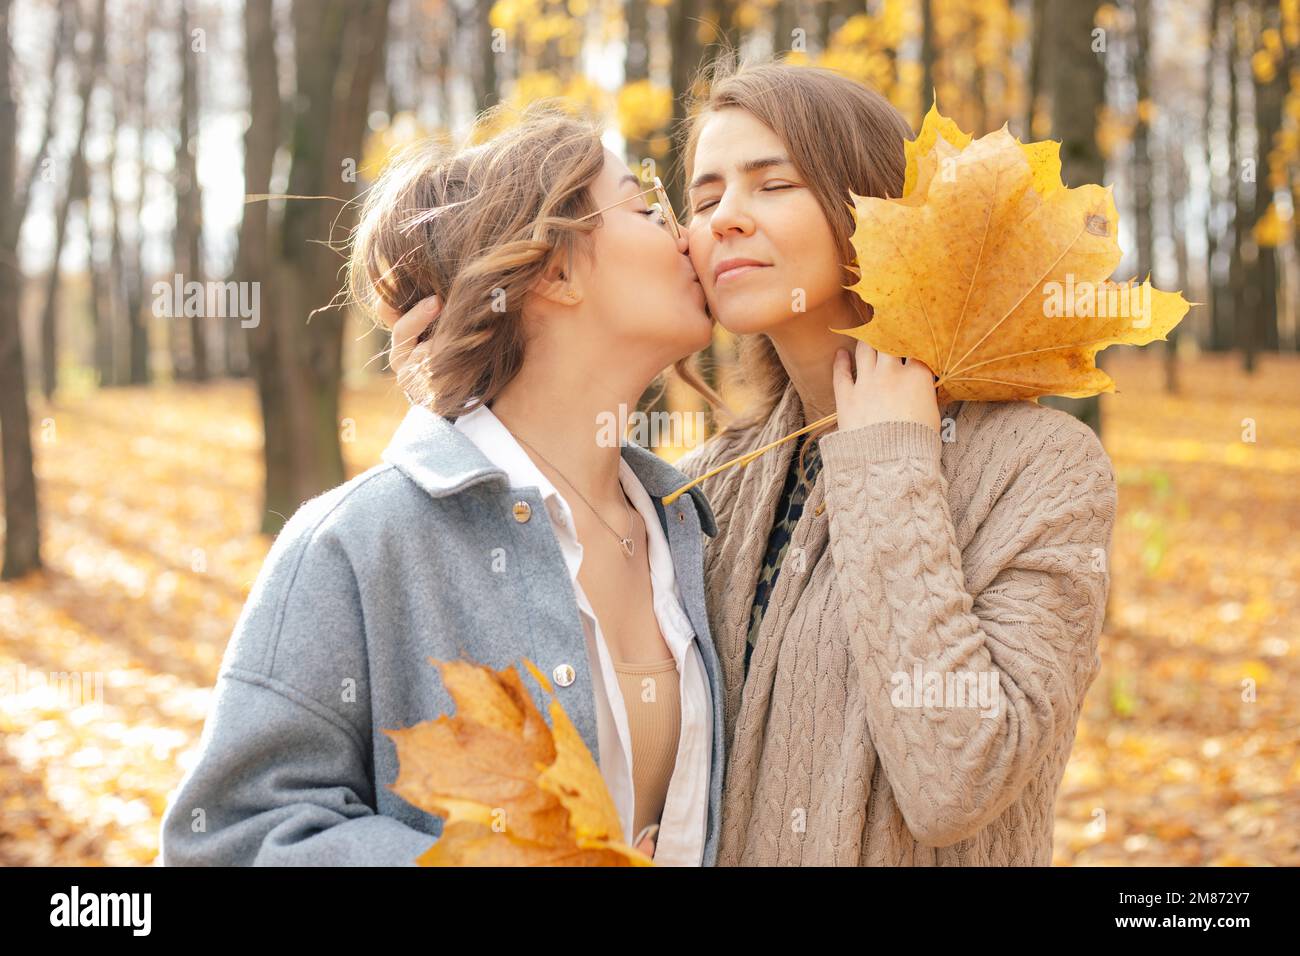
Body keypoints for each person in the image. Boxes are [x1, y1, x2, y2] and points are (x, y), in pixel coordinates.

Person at [386, 60, 1118, 867]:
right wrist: (464, 388)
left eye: (773, 186)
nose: (726, 219)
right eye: (702, 200)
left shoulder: (1041, 469)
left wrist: (884, 464)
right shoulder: (703, 488)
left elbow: (957, 782)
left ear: (871, 209)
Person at [160, 103, 727, 866]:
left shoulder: (695, 526)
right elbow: (227, 841)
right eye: (646, 205)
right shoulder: (358, 543)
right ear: (555, 268)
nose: (688, 232)